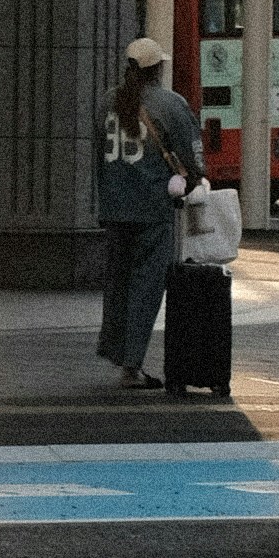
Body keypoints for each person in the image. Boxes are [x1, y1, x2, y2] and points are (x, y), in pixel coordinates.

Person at [95, 30, 204, 390]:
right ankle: (131, 365)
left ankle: (114, 351)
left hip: (114, 207)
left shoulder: (109, 101)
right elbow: (191, 156)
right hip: (152, 209)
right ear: (156, 69)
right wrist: (190, 180)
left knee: (118, 283)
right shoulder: (170, 104)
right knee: (145, 286)